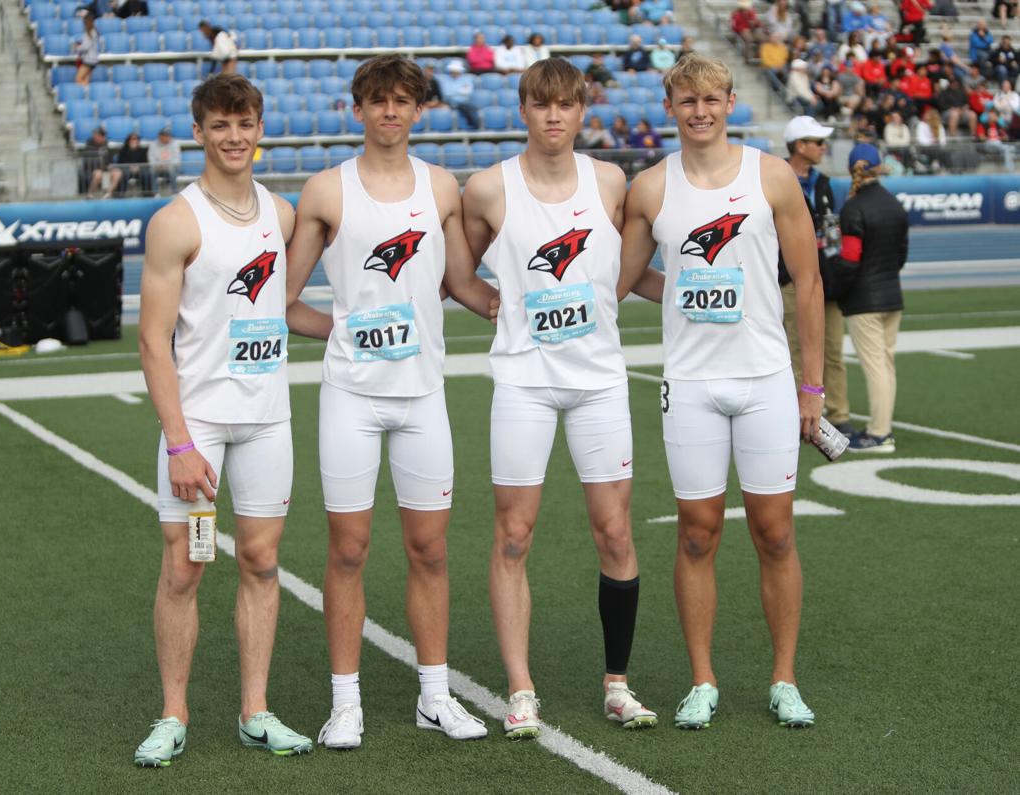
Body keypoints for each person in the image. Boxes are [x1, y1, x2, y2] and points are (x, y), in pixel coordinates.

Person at [284, 53, 497, 751]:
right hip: (350, 396)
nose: (390, 111)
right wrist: (341, 329)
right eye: (378, 100)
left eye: (403, 100)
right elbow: (284, 301)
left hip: (422, 396)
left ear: (419, 110)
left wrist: (515, 308)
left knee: (429, 549)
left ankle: (435, 696)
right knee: (348, 549)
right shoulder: (326, 190)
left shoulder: (441, 187)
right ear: (359, 109)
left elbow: (462, 281)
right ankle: (345, 702)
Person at [618, 53, 823, 730]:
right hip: (692, 384)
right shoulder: (651, 187)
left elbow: (808, 283)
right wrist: (678, 289)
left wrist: (812, 386)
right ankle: (701, 679)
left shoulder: (772, 176)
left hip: (765, 380)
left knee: (775, 533)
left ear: (730, 102)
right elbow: (621, 278)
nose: (699, 111)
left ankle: (784, 678)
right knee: (697, 535)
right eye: (687, 101)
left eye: (710, 99)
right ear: (670, 108)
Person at [462, 56, 657, 740]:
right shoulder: (488, 188)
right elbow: (457, 270)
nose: (553, 116)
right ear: (523, 111)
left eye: (565, 105)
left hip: (599, 379)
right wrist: (493, 303)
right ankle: (521, 689)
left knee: (615, 531)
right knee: (514, 534)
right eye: (541, 105)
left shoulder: (610, 181)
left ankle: (617, 685)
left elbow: (629, 265)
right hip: (525, 380)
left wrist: (667, 298)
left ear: (581, 111)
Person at [134, 73, 313, 767]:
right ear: (199, 133)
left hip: (267, 420)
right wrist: (179, 442)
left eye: (244, 124)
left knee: (262, 561)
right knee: (187, 566)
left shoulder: (282, 214)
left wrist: (346, 330)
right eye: (220, 125)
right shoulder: (176, 222)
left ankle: (255, 712)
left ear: (259, 129)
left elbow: (283, 306)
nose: (234, 137)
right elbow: (153, 341)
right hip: (200, 427)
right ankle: (172, 713)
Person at [780, 116, 852, 435]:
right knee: (796, 349)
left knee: (833, 349)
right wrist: (784, 275)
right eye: (818, 142)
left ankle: (838, 414)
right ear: (800, 146)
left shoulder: (823, 183)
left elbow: (832, 233)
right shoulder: (776, 180)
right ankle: (798, 416)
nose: (824, 148)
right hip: (792, 281)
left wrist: (835, 274)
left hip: (825, 281)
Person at [835, 143, 908, 452]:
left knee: (876, 367)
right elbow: (901, 255)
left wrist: (835, 286)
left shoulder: (853, 208)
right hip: (892, 296)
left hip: (864, 301)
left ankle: (879, 433)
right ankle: (882, 428)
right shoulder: (894, 204)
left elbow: (850, 259)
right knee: (886, 365)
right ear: (880, 167)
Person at [438, 60, 481, 130]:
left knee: (471, 107)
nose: (454, 72)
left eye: (456, 70)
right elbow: (446, 93)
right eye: (453, 70)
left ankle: (475, 125)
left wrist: (455, 92)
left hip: (463, 102)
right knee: (467, 108)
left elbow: (468, 92)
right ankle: (475, 125)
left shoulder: (467, 79)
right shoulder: (445, 80)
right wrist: (460, 91)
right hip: (450, 102)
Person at [81, 126, 122, 198]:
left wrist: (109, 166)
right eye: (97, 135)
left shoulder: (106, 145)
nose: (101, 137)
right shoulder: (89, 145)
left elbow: (109, 159)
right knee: (98, 174)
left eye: (102, 136)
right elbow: (87, 161)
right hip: (92, 169)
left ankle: (108, 193)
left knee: (118, 173)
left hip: (105, 168)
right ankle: (90, 194)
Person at [148, 127, 182, 194]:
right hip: (157, 167)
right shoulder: (153, 144)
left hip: (171, 167)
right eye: (163, 135)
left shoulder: (175, 144)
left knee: (172, 172)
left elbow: (177, 159)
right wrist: (158, 165)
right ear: (159, 136)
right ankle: (155, 193)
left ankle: (174, 192)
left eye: (167, 135)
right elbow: (151, 158)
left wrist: (168, 165)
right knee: (151, 172)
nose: (165, 137)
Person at [74, 11, 100, 86]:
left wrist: (77, 48)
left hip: (89, 60)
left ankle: (89, 90)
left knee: (78, 80)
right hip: (93, 59)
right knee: (85, 80)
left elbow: (85, 47)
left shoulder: (89, 33)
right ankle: (88, 92)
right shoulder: (94, 31)